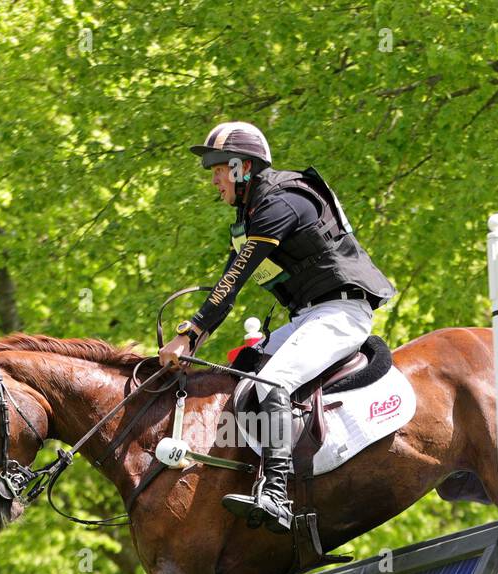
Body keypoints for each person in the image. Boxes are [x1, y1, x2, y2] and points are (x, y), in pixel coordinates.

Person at [159, 121, 397, 533]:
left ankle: (277, 494)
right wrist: (199, 334)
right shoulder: (251, 214)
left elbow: (234, 278)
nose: (214, 180)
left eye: (218, 169)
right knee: (242, 374)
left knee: (272, 386)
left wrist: (192, 333)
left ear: (242, 167)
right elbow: (231, 279)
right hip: (310, 315)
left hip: (340, 313)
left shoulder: (281, 202)